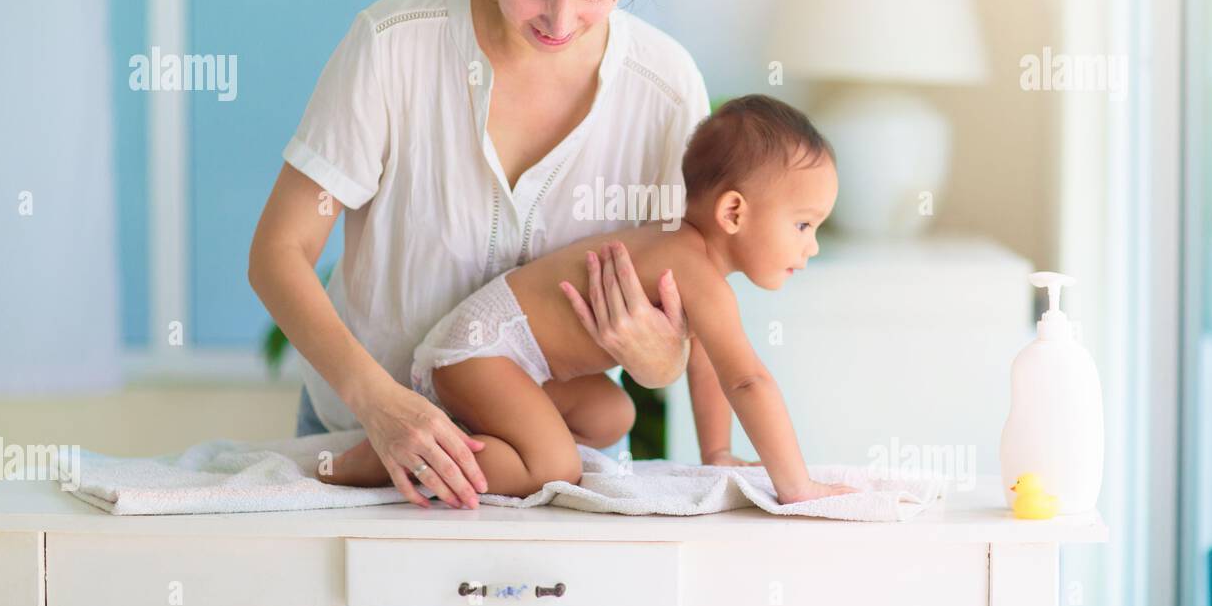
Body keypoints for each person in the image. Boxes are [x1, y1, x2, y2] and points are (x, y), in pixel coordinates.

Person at [248, 0, 708, 606]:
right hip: (368, 424)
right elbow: (278, 252)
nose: (562, 20)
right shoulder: (393, 48)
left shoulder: (666, 92)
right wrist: (383, 406)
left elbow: (689, 319)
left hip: (556, 449)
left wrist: (659, 357)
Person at [320, 96, 863, 505]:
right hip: (480, 352)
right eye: (803, 224)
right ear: (735, 213)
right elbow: (747, 381)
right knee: (554, 466)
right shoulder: (696, 269)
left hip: (511, 361)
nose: (811, 246)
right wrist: (796, 485)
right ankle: (413, 459)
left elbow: (707, 366)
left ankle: (473, 435)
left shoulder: (688, 256)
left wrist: (716, 454)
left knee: (612, 413)